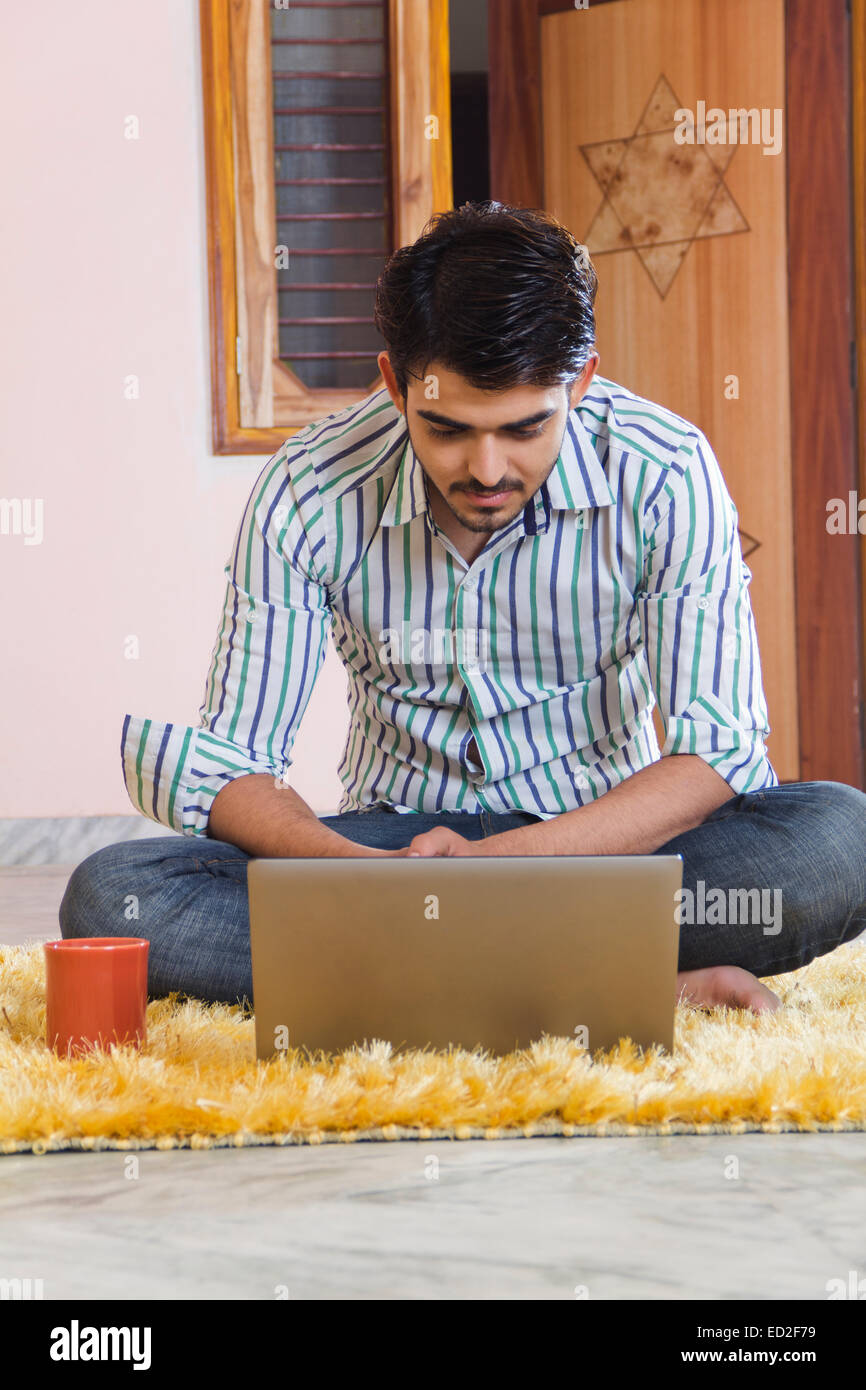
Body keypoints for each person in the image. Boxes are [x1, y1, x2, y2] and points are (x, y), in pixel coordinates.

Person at [60, 201, 866, 1017]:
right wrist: (355, 873)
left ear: (579, 384)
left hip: (598, 854)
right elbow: (239, 760)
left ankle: (423, 981)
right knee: (114, 894)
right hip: (394, 853)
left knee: (841, 840)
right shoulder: (311, 487)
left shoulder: (664, 472)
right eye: (446, 429)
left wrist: (495, 870)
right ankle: (612, 989)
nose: (487, 470)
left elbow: (719, 753)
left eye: (524, 429)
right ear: (393, 383)